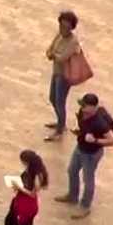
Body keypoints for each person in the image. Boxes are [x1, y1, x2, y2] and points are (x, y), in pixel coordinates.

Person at [56, 93, 113, 218]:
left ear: (93, 107)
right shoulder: (83, 113)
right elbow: (84, 126)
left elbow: (112, 140)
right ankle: (72, 195)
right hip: (80, 148)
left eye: (85, 106)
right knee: (72, 171)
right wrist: (79, 132)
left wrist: (95, 141)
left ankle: (85, 206)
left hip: (91, 154)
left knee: (88, 180)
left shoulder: (99, 123)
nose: (82, 108)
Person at [3, 150, 49, 225]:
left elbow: (33, 193)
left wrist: (20, 188)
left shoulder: (37, 175)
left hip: (27, 206)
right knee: (10, 223)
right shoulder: (29, 170)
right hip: (19, 201)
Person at [43, 11, 81, 141]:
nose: (63, 29)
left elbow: (63, 57)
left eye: (66, 27)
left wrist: (54, 55)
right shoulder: (59, 34)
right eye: (61, 25)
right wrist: (50, 53)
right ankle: (60, 122)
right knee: (52, 98)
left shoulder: (73, 41)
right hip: (56, 72)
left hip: (64, 75)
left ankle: (60, 129)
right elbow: (51, 48)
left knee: (60, 102)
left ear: (71, 27)